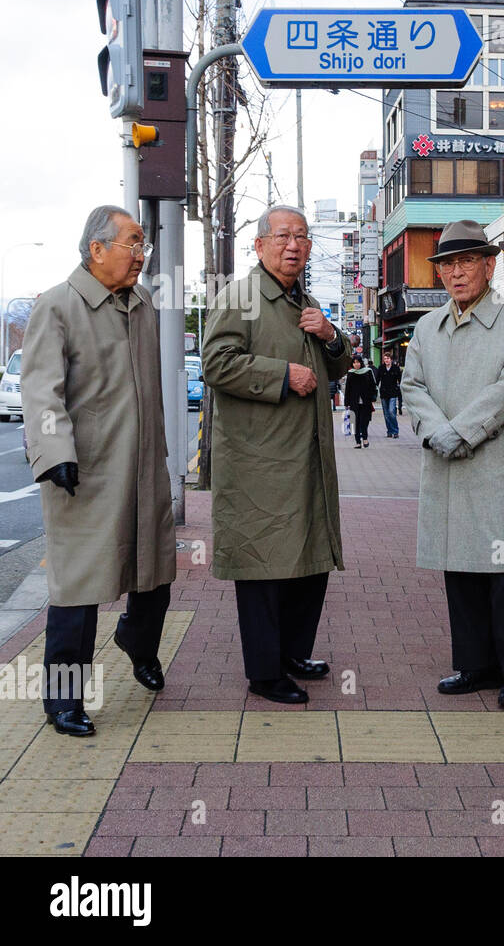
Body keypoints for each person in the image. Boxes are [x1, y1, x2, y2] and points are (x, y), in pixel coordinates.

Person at [21, 205, 175, 736]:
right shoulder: (59, 306)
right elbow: (42, 389)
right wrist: (54, 453)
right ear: (96, 249)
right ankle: (62, 700)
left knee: (155, 572)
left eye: (143, 245)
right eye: (133, 243)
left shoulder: (143, 303)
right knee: (78, 591)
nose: (140, 254)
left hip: (143, 465)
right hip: (83, 471)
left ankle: (137, 640)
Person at [202, 205, 354, 705]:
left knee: (310, 560)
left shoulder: (303, 300)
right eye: (284, 236)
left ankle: (293, 653)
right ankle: (265, 673)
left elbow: (338, 367)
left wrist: (331, 336)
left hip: (307, 456)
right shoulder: (243, 297)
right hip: (260, 463)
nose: (294, 245)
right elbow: (217, 364)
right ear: (260, 244)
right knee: (265, 565)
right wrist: (282, 376)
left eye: (302, 237)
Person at [402, 219, 504, 710]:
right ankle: (475, 664)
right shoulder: (425, 326)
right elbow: (411, 387)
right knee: (459, 568)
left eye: (466, 263)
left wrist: (458, 432)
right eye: (447, 265)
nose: (456, 273)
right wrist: (437, 431)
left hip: (496, 464)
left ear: (489, 265)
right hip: (447, 463)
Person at [343, 353, 378, 448]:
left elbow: (373, 386)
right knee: (355, 422)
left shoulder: (367, 372)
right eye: (354, 363)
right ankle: (358, 442)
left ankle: (365, 439)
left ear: (361, 363)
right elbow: (347, 389)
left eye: (358, 362)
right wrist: (346, 403)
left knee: (364, 421)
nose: (356, 364)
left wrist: (373, 397)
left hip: (366, 402)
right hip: (354, 402)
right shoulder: (351, 374)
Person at [376, 351, 403, 438]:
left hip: (393, 393)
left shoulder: (395, 368)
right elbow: (377, 380)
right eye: (385, 359)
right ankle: (389, 431)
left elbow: (400, 379)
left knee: (391, 412)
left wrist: (401, 388)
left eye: (388, 358)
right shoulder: (381, 368)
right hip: (384, 393)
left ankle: (395, 431)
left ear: (391, 359)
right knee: (386, 414)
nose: (386, 360)